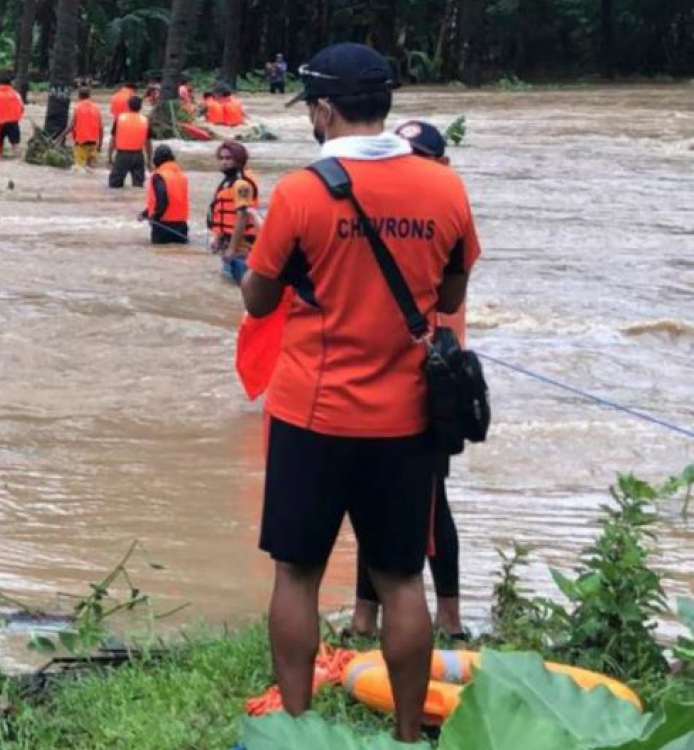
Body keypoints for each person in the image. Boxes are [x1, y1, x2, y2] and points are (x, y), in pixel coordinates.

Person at [239, 43, 481, 744]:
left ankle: (296, 727)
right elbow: (452, 292)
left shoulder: (301, 194)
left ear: (321, 110)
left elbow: (258, 301)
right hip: (406, 417)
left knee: (298, 573)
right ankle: (409, 734)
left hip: (311, 415)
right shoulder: (445, 189)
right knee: (404, 578)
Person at [350, 119, 464, 641]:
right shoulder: (402, 203)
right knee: (368, 496)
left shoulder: (446, 204)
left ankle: (450, 617)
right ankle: (363, 615)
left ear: (440, 164)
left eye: (419, 156)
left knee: (431, 500)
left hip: (432, 373)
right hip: (379, 370)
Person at [208, 140, 261, 283]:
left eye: (228, 158)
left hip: (241, 251)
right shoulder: (226, 184)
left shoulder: (241, 185)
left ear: (239, 160)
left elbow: (242, 217)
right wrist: (218, 239)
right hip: (229, 248)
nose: (224, 162)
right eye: (222, 158)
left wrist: (232, 249)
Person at [138, 145, 190, 244]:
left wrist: (155, 218)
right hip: (181, 226)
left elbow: (162, 200)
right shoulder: (181, 176)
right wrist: (145, 214)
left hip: (163, 226)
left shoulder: (159, 176)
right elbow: (172, 199)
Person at [108, 95, 151, 189]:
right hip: (138, 156)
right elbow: (148, 143)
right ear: (140, 107)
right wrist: (149, 160)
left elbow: (113, 140)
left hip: (122, 156)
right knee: (138, 185)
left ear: (128, 105)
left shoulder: (119, 119)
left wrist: (110, 156)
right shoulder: (145, 120)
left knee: (114, 185)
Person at [64, 87, 104, 172]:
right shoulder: (97, 108)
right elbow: (101, 128)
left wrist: (60, 138)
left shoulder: (78, 108)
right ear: (89, 95)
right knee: (92, 171)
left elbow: (71, 126)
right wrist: (100, 145)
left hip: (81, 145)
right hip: (93, 144)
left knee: (79, 170)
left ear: (79, 96)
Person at [0, 73, 25, 156]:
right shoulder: (16, 95)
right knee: (16, 145)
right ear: (10, 84)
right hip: (13, 123)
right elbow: (22, 108)